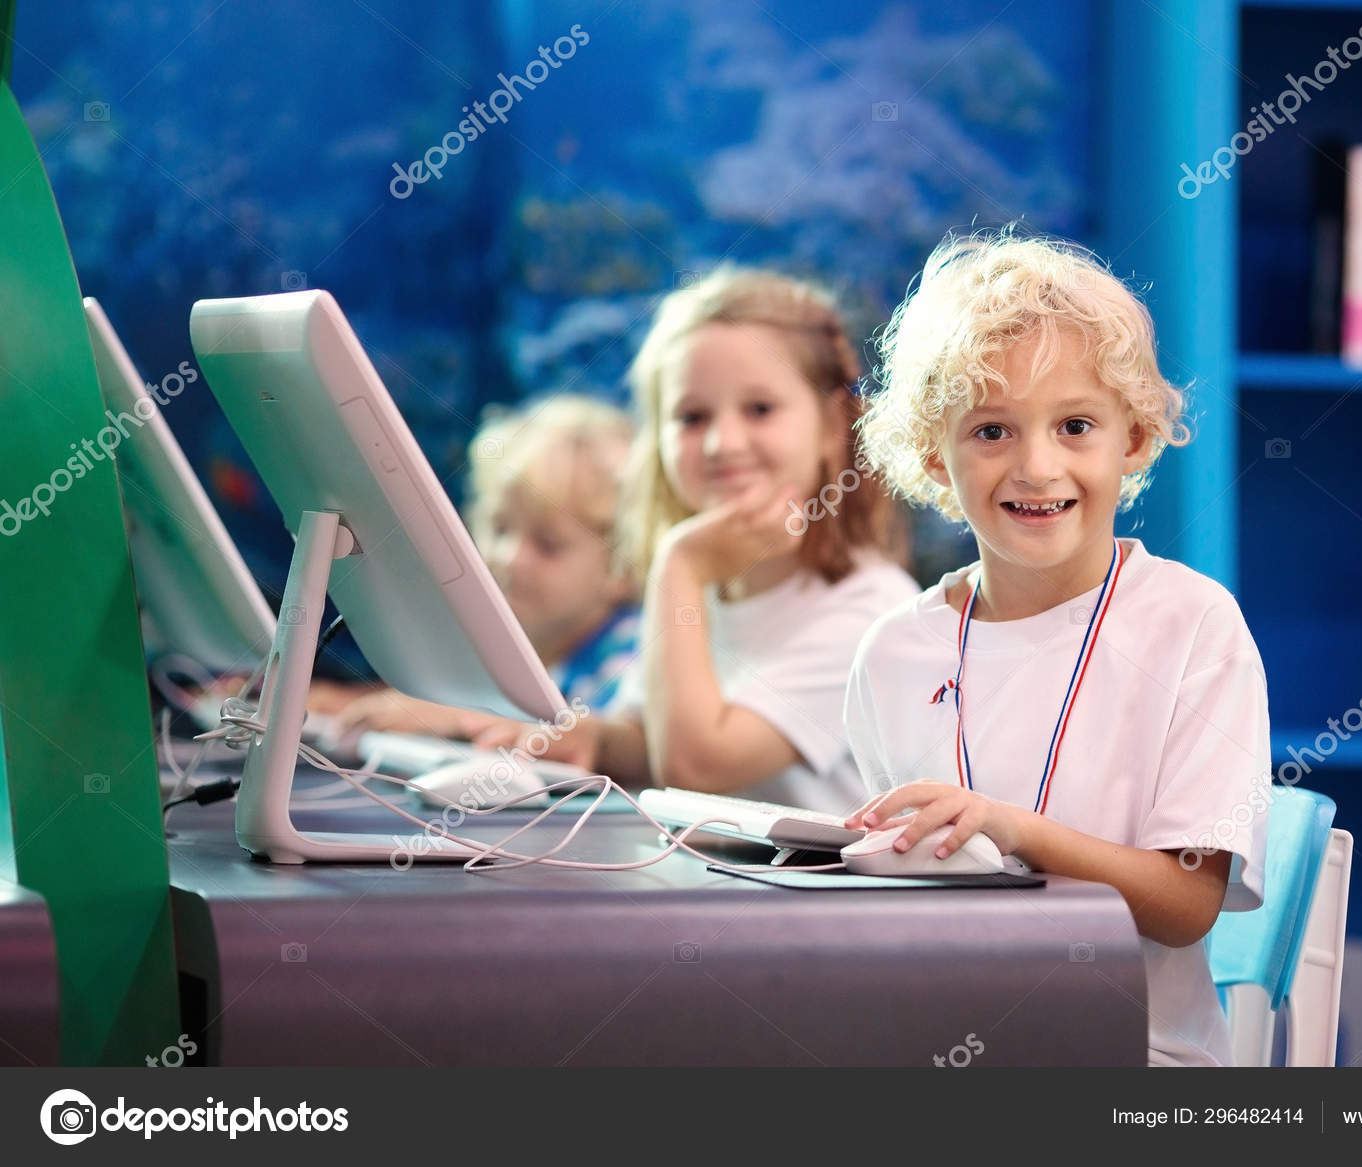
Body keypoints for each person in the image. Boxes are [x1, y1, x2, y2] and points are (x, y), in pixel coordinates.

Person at [840, 230, 1271, 1066]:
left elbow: (1186, 903)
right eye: (992, 430)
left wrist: (1012, 827)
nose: (1037, 466)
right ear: (935, 452)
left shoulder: (1193, 625)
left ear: (1136, 438)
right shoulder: (892, 652)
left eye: (1075, 425)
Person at [471, 266, 918, 813]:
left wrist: (680, 566)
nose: (722, 443)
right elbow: (652, 741)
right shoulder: (708, 582)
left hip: (827, 897)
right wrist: (596, 740)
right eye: (691, 416)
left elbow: (696, 768)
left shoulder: (870, 610)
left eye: (759, 409)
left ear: (829, 428)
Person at [332, 394, 640, 733]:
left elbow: (597, 741)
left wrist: (459, 720)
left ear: (622, 566)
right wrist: (345, 705)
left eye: (548, 545)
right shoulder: (507, 642)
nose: (510, 558)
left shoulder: (631, 659)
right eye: (499, 527)